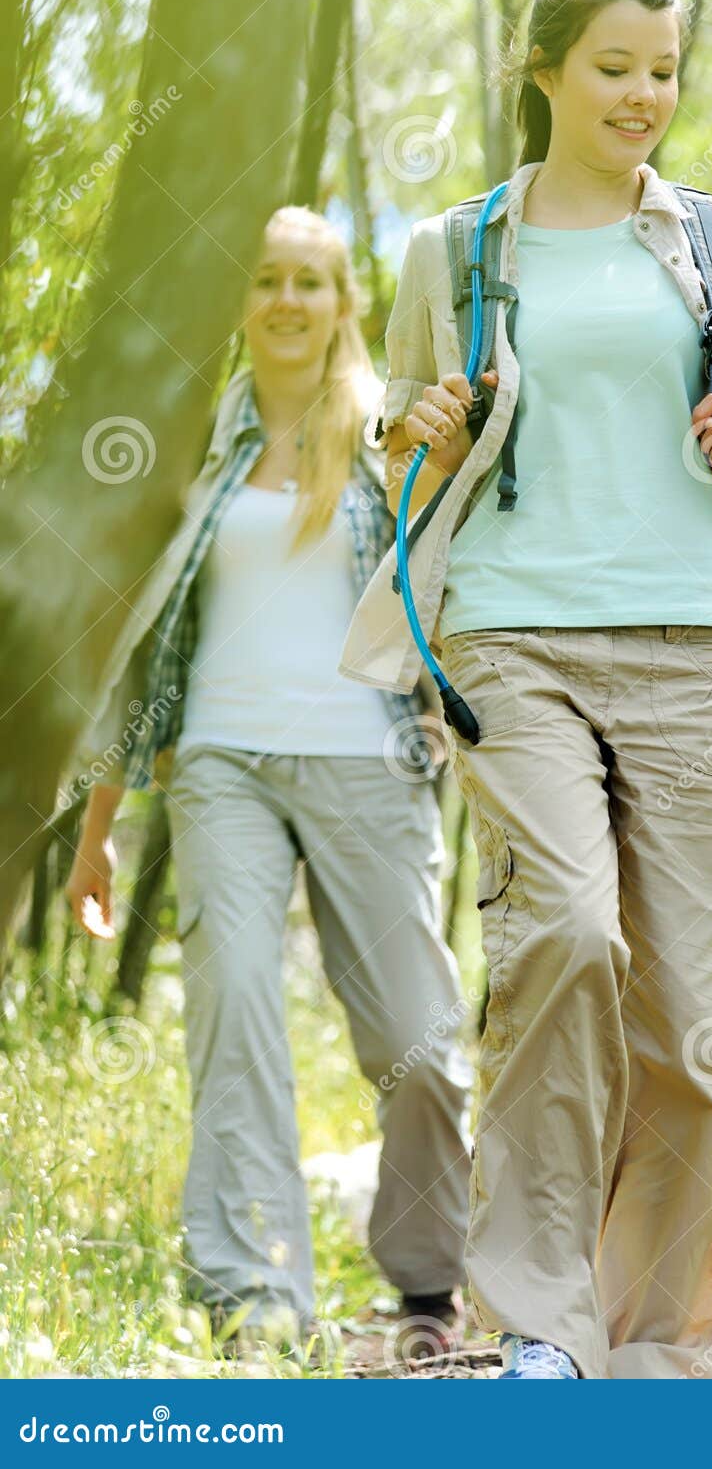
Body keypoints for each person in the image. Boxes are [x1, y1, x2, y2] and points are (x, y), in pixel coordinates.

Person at [339, 0, 712, 1379]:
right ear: (542, 69)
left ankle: (663, 1347)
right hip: (514, 629)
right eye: (615, 67)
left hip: (695, 639)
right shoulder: (458, 247)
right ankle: (542, 1319)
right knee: (563, 939)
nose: (644, 95)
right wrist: (417, 418)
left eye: (663, 69)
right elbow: (411, 438)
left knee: (692, 1008)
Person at [65, 206, 473, 1356]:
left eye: (312, 281)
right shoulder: (196, 447)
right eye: (268, 281)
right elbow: (139, 648)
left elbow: (456, 597)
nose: (289, 300)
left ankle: (430, 1272)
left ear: (344, 302)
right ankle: (256, 1298)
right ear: (243, 304)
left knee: (421, 1040)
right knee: (234, 1016)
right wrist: (100, 826)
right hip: (219, 765)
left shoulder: (395, 438)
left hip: (371, 759)